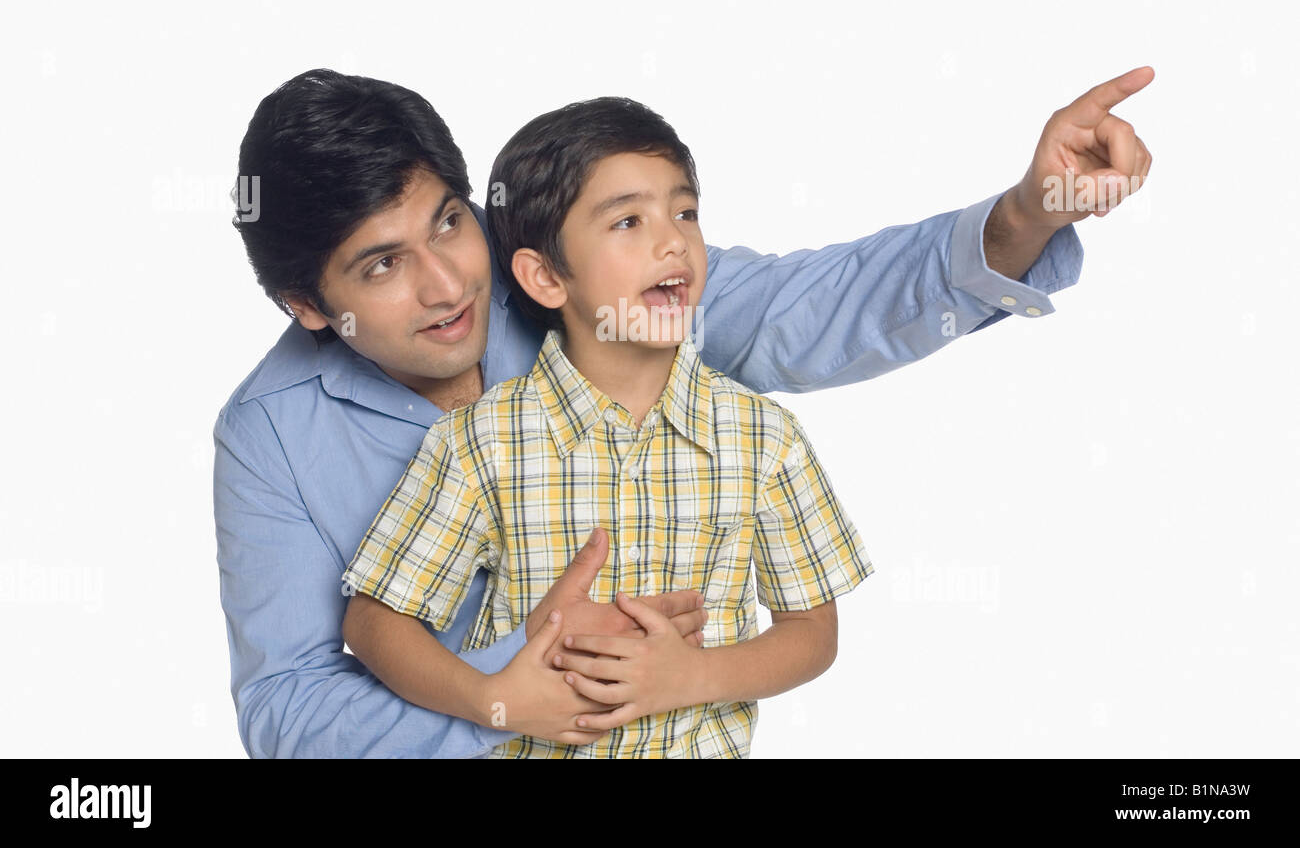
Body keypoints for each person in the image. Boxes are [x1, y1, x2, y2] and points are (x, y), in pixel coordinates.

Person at [214, 66, 1149, 758]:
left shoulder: (577, 284)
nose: (448, 281)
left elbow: (808, 306)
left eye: (450, 222)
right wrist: (504, 693)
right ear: (307, 304)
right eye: (382, 265)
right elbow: (288, 705)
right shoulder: (269, 437)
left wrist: (1029, 212)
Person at [340, 97, 875, 757]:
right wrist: (492, 698)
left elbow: (814, 630)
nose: (673, 239)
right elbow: (374, 621)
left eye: (685, 212)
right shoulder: (482, 442)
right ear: (543, 275)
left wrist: (693, 677)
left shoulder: (763, 438)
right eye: (628, 219)